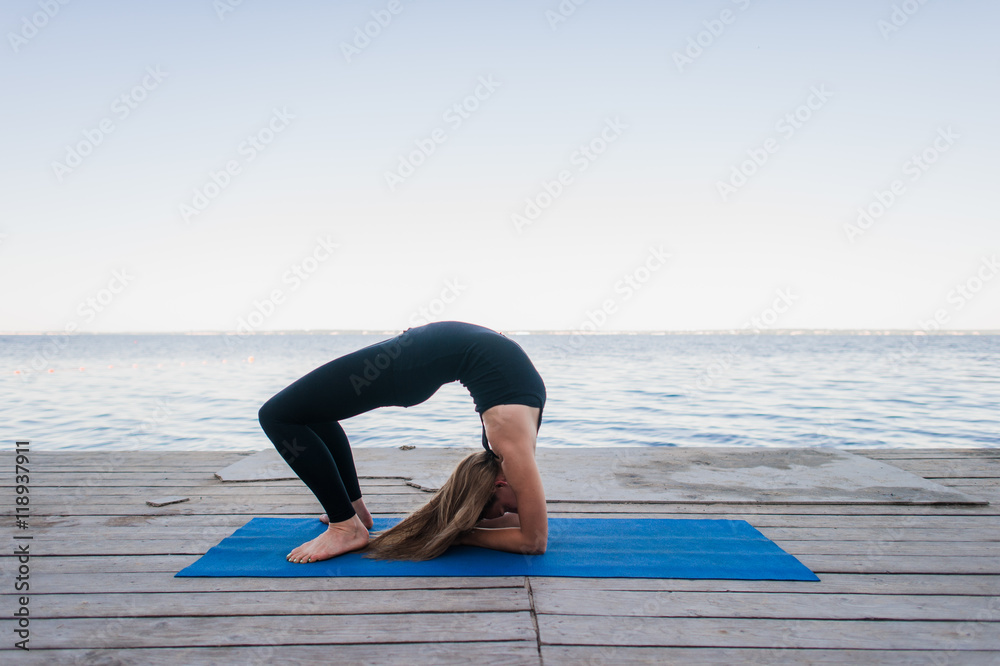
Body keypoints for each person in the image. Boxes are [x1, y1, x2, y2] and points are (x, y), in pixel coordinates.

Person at [256, 320, 547, 563]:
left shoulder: (511, 447)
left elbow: (533, 540)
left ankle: (345, 526)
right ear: (498, 484)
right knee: (307, 411)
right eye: (503, 511)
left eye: (505, 511)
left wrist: (460, 535)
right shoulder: (512, 449)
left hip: (411, 362)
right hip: (413, 359)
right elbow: (532, 534)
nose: (515, 510)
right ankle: (352, 512)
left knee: (277, 416)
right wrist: (460, 531)